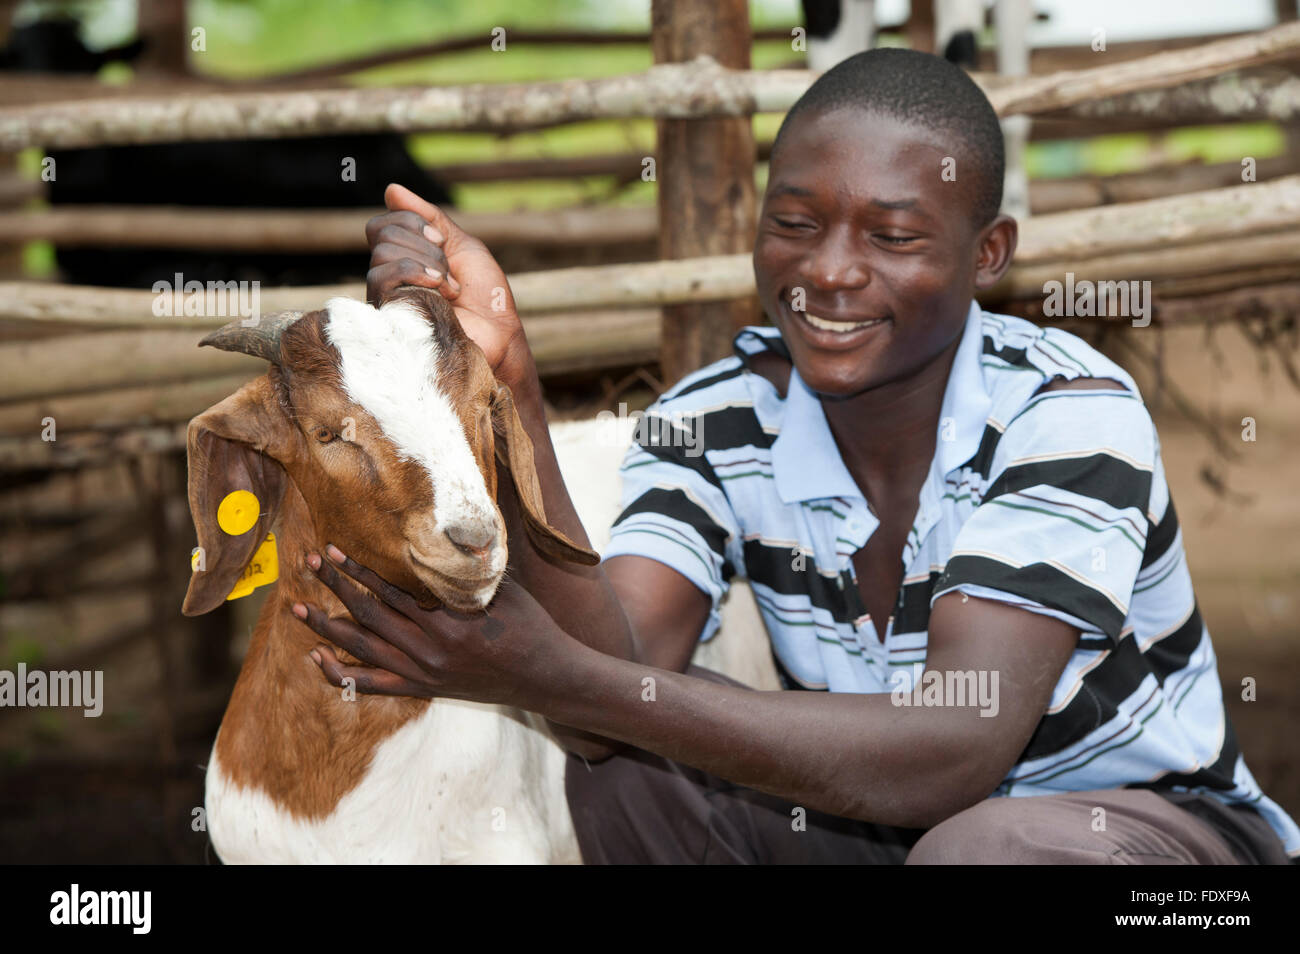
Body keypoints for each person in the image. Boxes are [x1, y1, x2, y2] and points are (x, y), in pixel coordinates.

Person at [296, 49, 1298, 864]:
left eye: (893, 236)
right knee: (627, 772)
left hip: (1148, 841)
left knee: (984, 849)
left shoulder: (1066, 413)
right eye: (794, 224)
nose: (827, 271)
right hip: (894, 827)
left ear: (987, 253)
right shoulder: (713, 420)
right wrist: (508, 385)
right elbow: (618, 691)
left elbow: (954, 750)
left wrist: (557, 678)